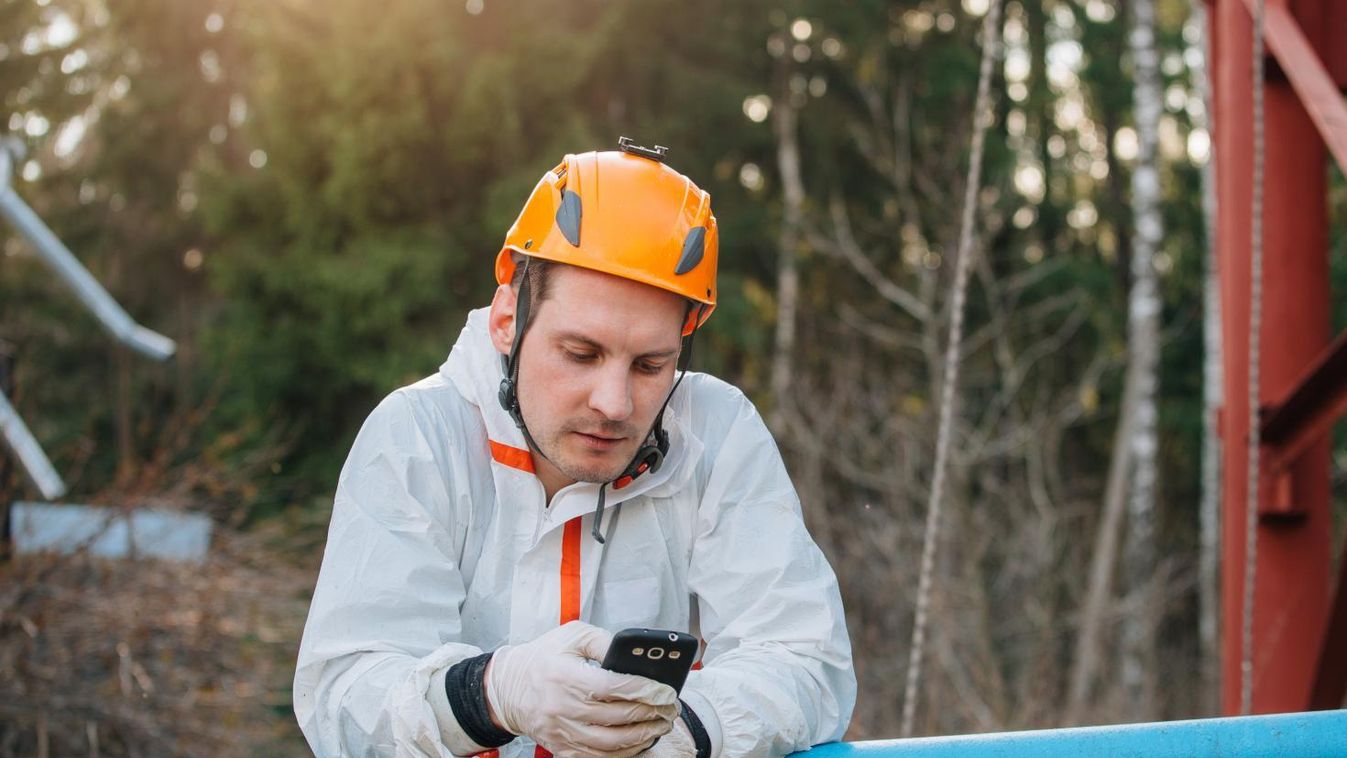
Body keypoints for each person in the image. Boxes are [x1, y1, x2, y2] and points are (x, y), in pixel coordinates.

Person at [293, 138, 855, 758]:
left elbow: (809, 662)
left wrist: (688, 731)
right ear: (508, 318)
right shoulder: (416, 437)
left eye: (649, 365)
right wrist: (489, 694)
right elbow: (343, 697)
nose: (614, 404)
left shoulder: (716, 435)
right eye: (580, 355)